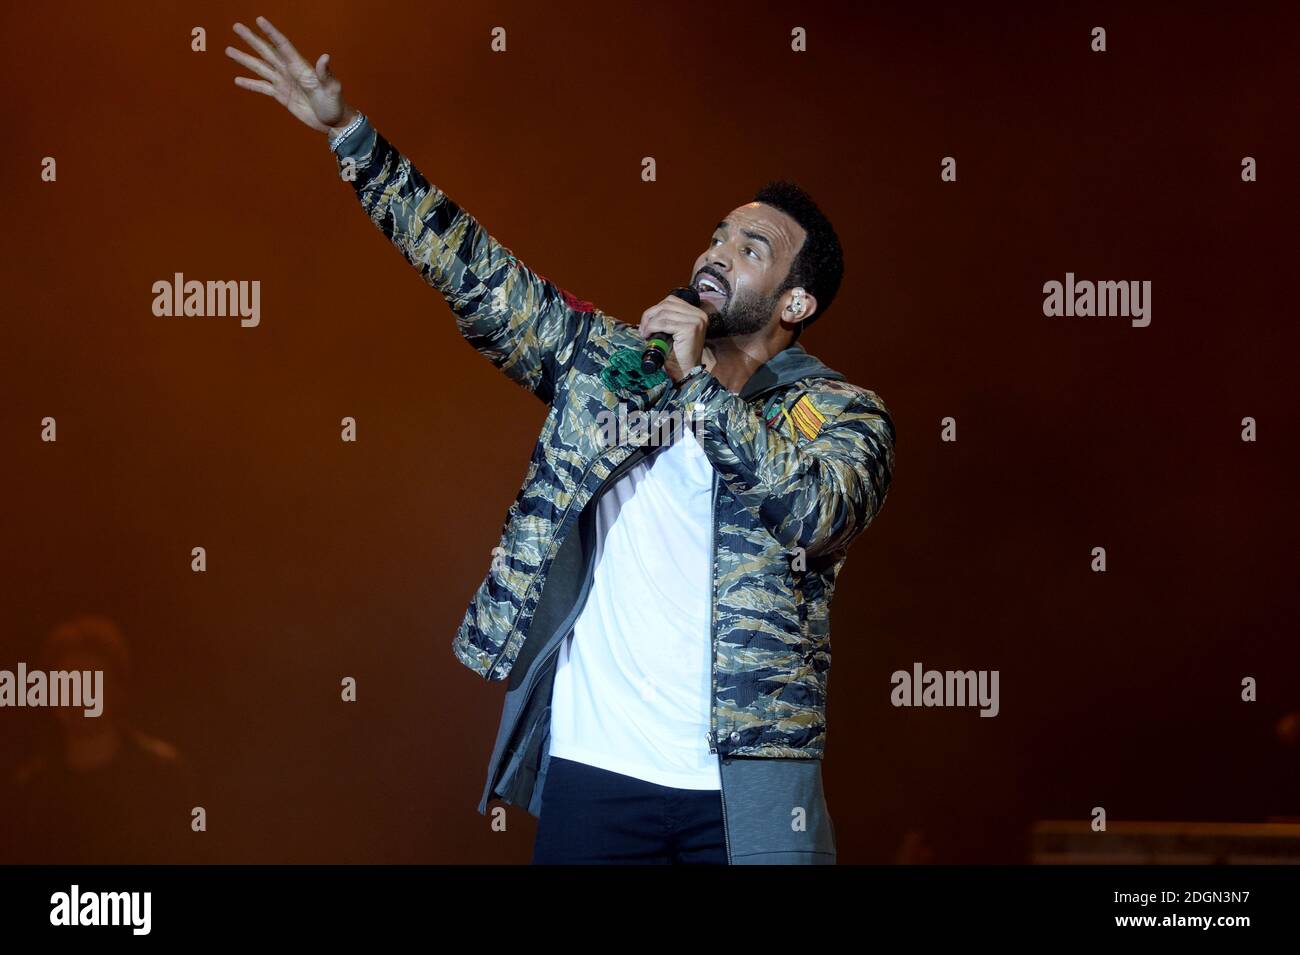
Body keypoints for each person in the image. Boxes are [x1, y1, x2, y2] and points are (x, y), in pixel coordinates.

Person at [227, 15, 896, 864]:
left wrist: (697, 385)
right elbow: (476, 273)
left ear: (796, 304)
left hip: (743, 786)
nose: (719, 249)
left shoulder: (841, 411)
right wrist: (350, 136)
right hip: (599, 769)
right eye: (720, 232)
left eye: (752, 246)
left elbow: (814, 510)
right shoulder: (612, 363)